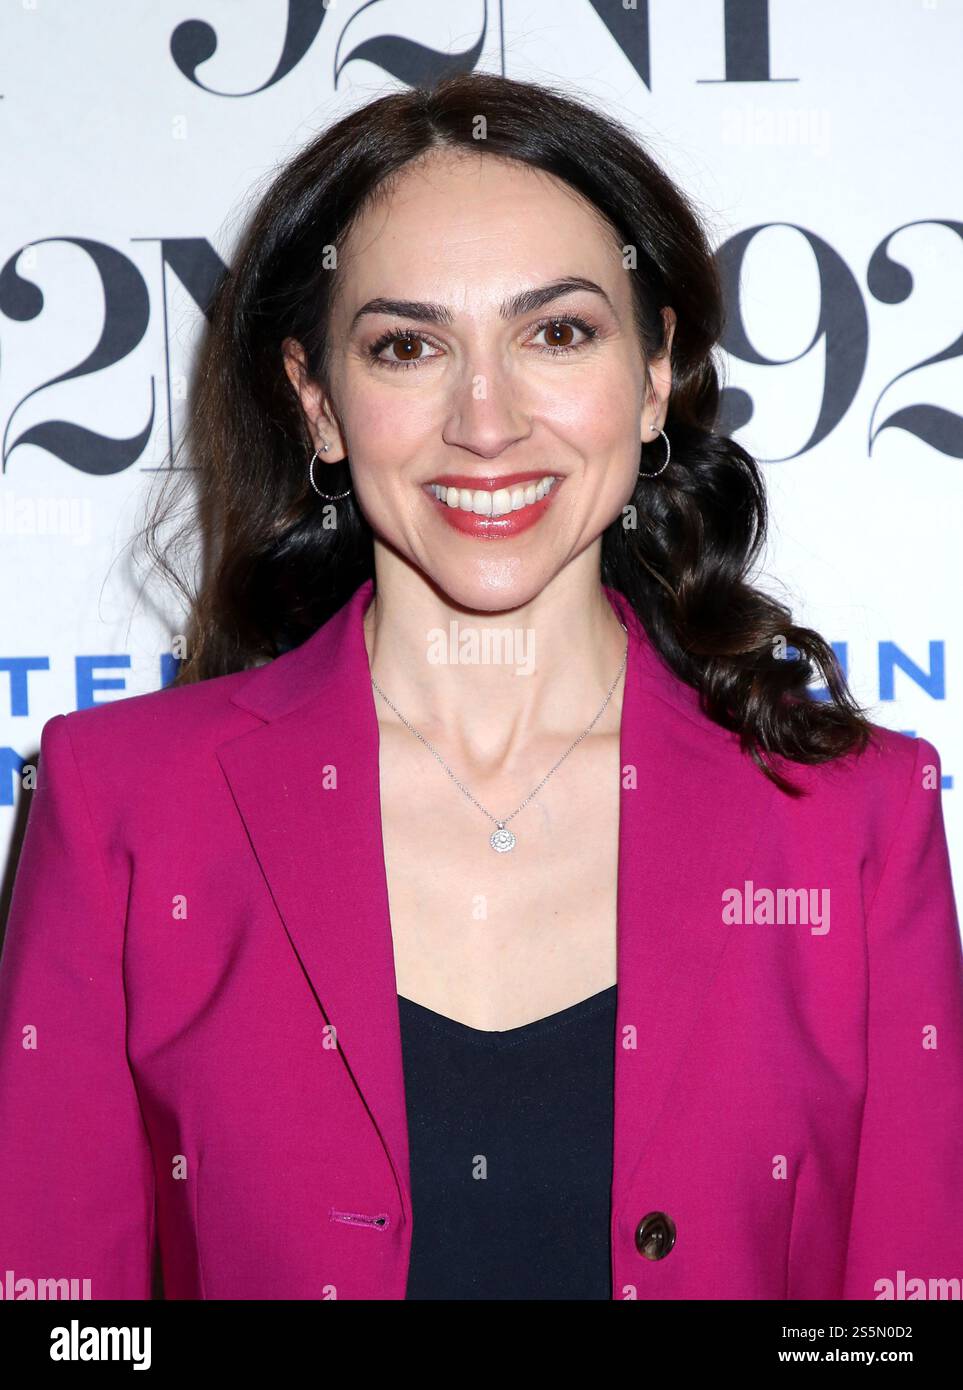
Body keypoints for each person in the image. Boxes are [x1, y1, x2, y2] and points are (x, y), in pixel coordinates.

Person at [1, 72, 961, 1302]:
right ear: (318, 403)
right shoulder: (122, 803)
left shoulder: (852, 817)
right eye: (408, 346)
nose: (486, 421)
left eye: (557, 332)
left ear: (658, 370)